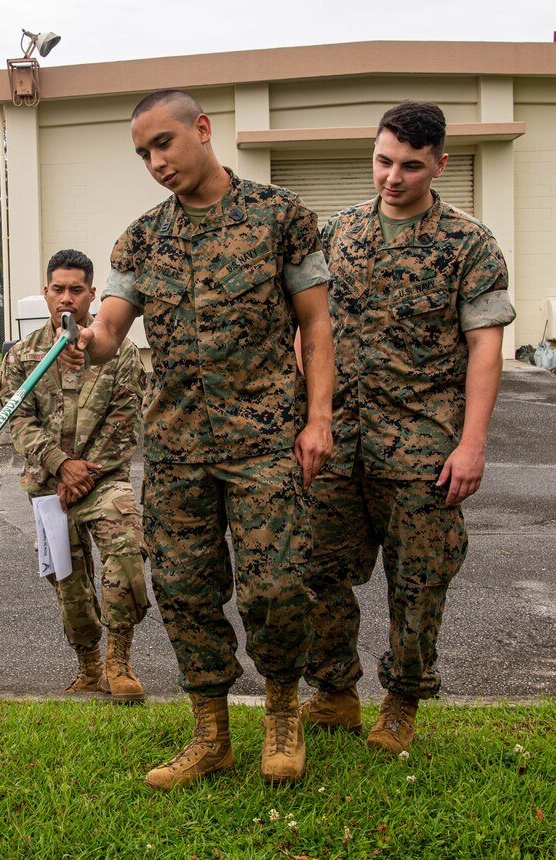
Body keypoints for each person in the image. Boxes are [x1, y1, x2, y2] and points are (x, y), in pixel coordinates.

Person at [73, 90, 335, 788]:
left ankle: (282, 713)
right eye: (142, 153)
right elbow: (109, 334)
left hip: (265, 441)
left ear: (203, 129)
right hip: (177, 447)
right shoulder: (140, 238)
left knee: (277, 587)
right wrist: (84, 338)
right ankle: (211, 733)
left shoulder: (282, 216)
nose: (155, 162)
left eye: (163, 143)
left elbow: (316, 325)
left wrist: (318, 420)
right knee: (186, 590)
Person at [299, 102, 516, 755]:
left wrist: (472, 442)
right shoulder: (336, 234)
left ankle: (401, 703)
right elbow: (308, 329)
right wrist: (305, 418)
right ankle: (334, 692)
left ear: (439, 164)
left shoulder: (468, 243)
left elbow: (485, 346)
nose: (393, 177)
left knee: (419, 579)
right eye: (384, 161)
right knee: (317, 568)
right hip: (337, 438)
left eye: (411, 166)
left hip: (423, 442)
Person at [0, 249, 150, 704]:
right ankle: (87, 663)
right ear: (46, 292)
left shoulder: (119, 353)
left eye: (76, 290)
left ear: (93, 295)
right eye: (58, 289)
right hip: (49, 486)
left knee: (125, 550)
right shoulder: (23, 356)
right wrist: (61, 466)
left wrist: (85, 472)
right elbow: (18, 420)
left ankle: (118, 661)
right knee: (67, 577)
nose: (67, 298)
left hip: (103, 482)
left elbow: (127, 419)